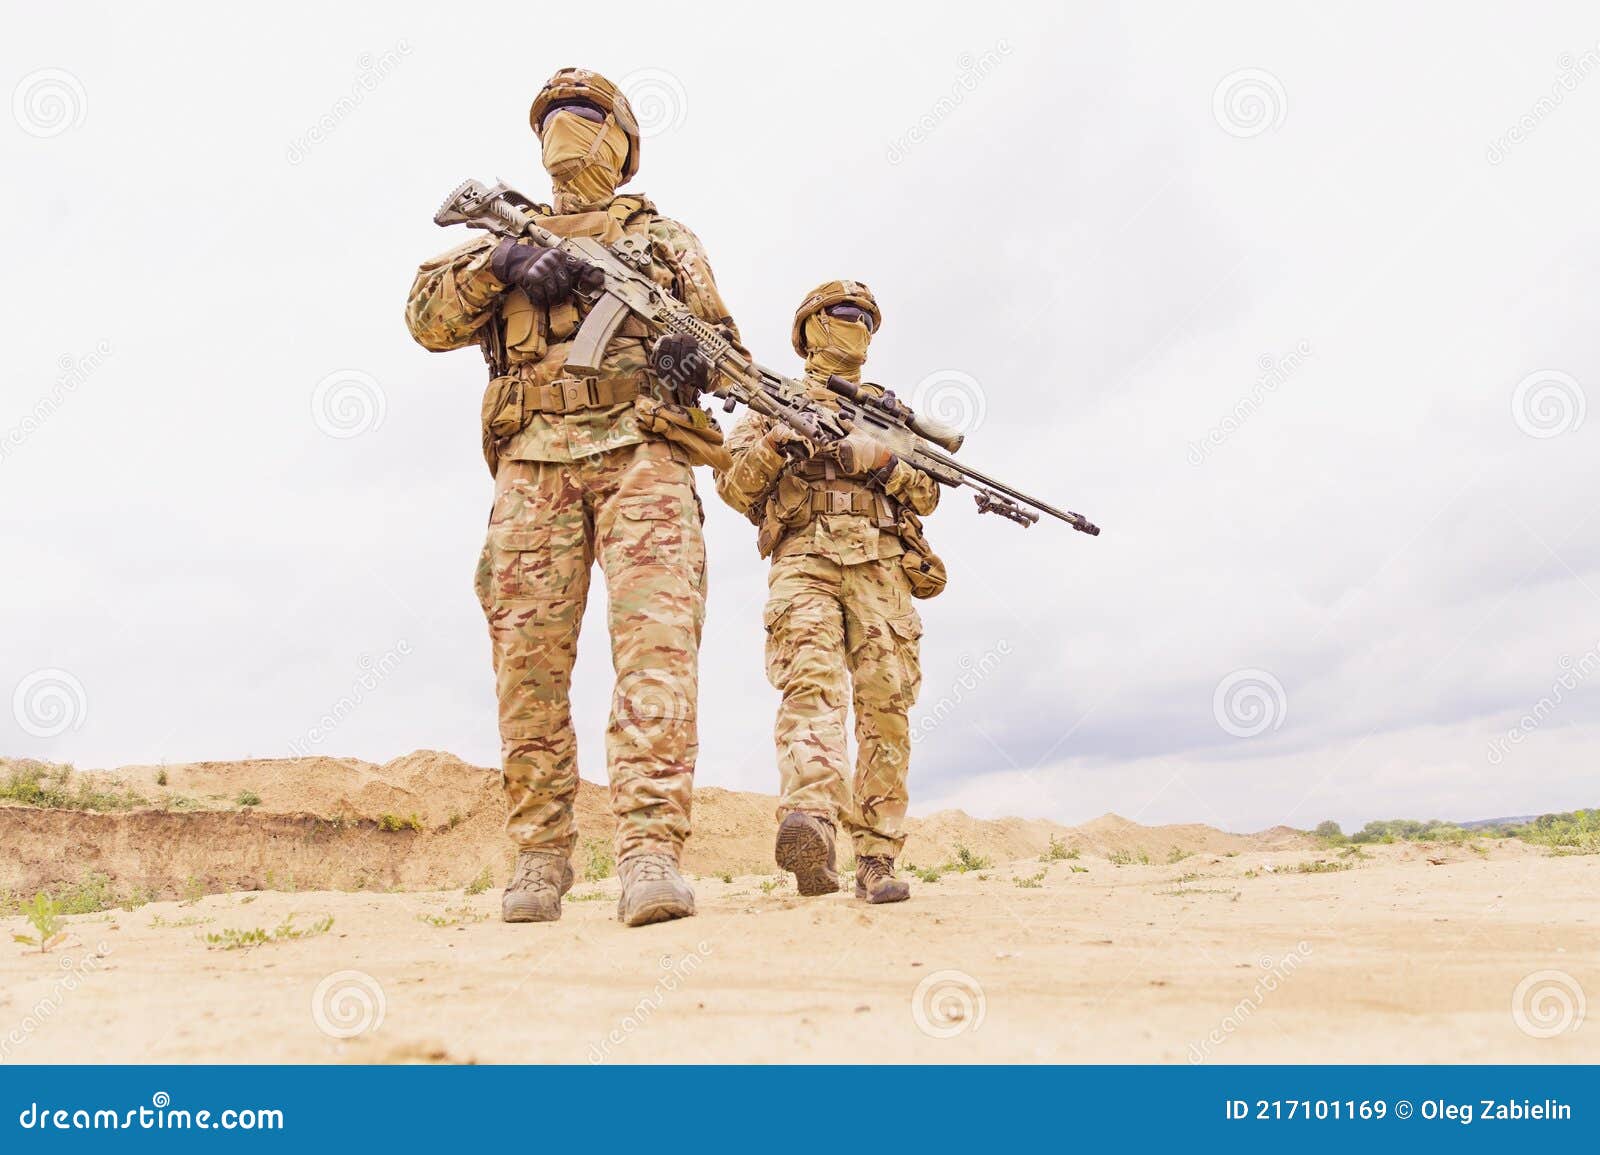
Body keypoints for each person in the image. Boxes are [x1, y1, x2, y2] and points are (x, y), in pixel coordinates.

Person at [404, 68, 738, 926]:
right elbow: (425, 318)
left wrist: (689, 361)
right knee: (528, 667)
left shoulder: (668, 242)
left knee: (656, 655)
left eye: (589, 116)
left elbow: (725, 348)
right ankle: (541, 855)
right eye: (556, 116)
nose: (570, 129)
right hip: (533, 464)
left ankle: (650, 849)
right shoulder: (500, 235)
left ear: (623, 145)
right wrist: (502, 264)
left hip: (645, 459)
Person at [715, 281, 940, 904]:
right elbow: (734, 488)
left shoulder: (891, 416)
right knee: (811, 687)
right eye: (846, 314)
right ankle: (811, 824)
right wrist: (779, 442)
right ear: (812, 327)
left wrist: (885, 463)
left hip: (881, 567)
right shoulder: (771, 399)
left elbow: (929, 493)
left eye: (868, 317)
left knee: (885, 709)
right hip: (805, 558)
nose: (859, 325)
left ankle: (877, 857)